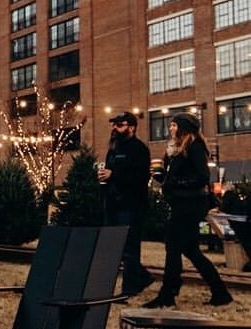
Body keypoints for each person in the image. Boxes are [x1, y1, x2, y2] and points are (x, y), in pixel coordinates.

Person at [144, 112, 232, 308]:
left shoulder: (194, 147)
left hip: (190, 205)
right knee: (190, 250)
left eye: (174, 125)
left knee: (173, 247)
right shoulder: (175, 150)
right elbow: (175, 179)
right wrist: (162, 178)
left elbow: (201, 177)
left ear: (184, 128)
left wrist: (175, 183)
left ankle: (168, 293)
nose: (170, 128)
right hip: (183, 203)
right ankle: (219, 291)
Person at [97, 111, 154, 295]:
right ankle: (143, 277)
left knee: (129, 249)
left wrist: (114, 175)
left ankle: (129, 289)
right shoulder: (113, 149)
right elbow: (109, 173)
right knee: (114, 248)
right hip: (113, 204)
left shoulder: (139, 149)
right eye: (113, 124)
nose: (114, 128)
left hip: (131, 206)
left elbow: (140, 178)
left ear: (131, 127)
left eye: (119, 125)